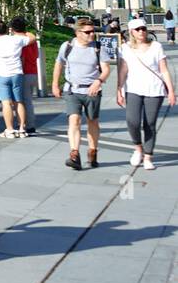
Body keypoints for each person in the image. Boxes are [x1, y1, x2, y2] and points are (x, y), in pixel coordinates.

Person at [116, 17, 175, 171]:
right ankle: (138, 148)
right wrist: (119, 90)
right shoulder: (125, 48)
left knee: (149, 123)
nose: (141, 31)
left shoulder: (156, 46)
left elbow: (163, 70)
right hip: (133, 89)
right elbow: (123, 70)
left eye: (143, 28)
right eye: (137, 29)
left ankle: (148, 156)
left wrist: (171, 91)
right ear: (131, 32)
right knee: (132, 121)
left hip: (154, 90)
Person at [52, 17, 109, 170]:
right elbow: (59, 64)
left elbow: (106, 69)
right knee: (74, 120)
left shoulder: (97, 47)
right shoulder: (67, 46)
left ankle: (92, 151)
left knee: (92, 121)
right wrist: (55, 84)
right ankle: (74, 154)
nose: (92, 35)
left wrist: (98, 81)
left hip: (92, 90)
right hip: (72, 90)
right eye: (88, 32)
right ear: (78, 33)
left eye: (93, 31)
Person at [0, 20, 30, 137]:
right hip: (17, 73)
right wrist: (23, 32)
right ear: (7, 29)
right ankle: (22, 129)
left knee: (6, 103)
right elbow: (32, 38)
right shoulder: (16, 39)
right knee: (19, 102)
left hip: (1, 74)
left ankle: (9, 130)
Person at [9, 16, 41, 134]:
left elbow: (20, 57)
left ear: (12, 29)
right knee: (28, 100)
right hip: (33, 71)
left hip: (23, 73)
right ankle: (28, 124)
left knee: (22, 101)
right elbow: (36, 55)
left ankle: (27, 125)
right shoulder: (30, 39)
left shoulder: (18, 41)